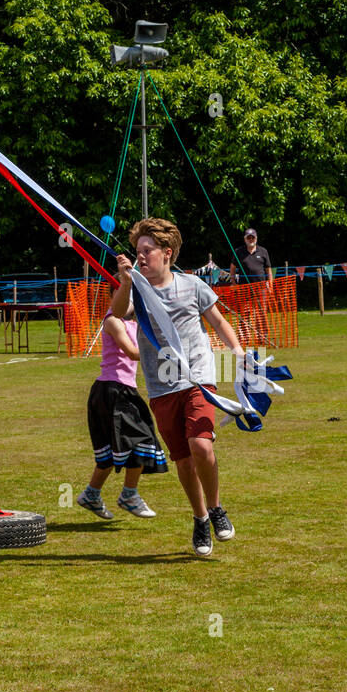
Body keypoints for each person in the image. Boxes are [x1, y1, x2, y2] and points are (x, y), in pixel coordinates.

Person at [112, 218, 244, 558]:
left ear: (166, 253)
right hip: (161, 387)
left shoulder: (192, 286)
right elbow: (116, 312)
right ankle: (200, 518)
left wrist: (239, 353)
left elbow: (218, 321)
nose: (140, 257)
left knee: (200, 444)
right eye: (137, 251)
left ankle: (215, 509)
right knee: (183, 460)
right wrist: (127, 280)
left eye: (147, 251)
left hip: (198, 377)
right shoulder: (138, 290)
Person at [76, 306, 168, 520]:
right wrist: (164, 349)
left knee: (111, 451)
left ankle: (91, 494)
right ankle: (129, 495)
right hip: (113, 390)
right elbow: (133, 352)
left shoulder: (135, 323)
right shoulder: (113, 321)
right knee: (140, 439)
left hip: (121, 390)